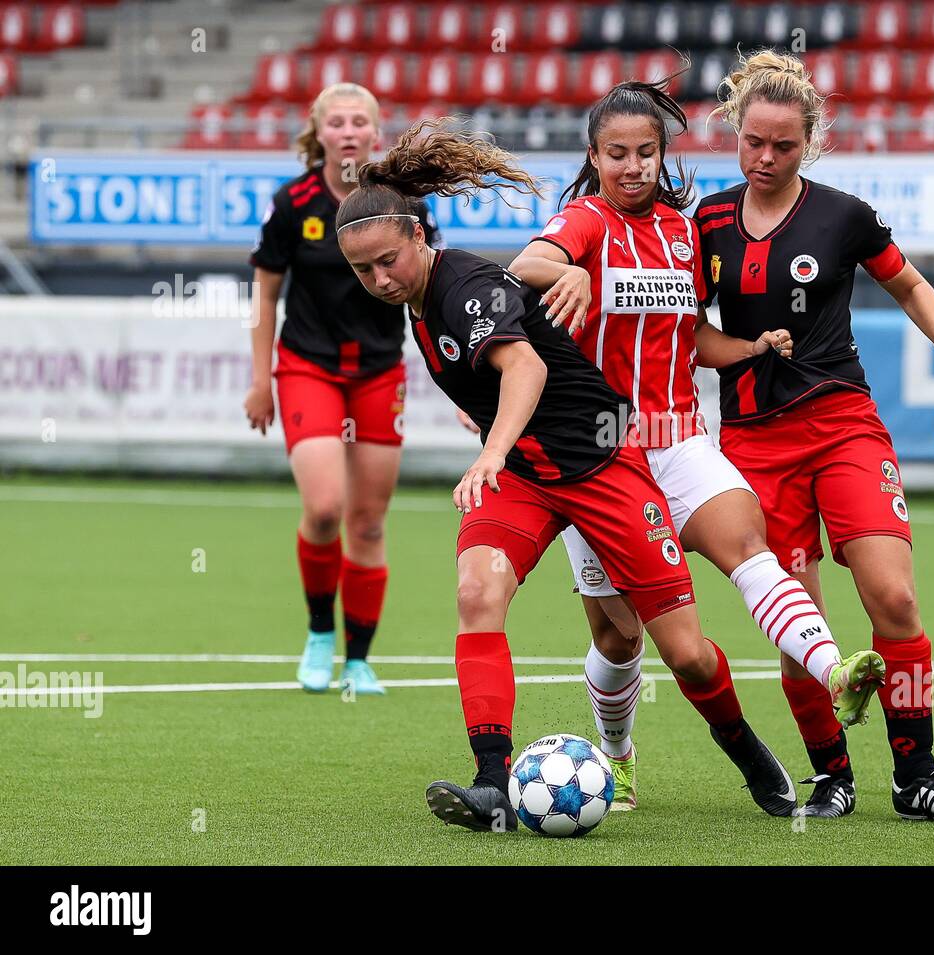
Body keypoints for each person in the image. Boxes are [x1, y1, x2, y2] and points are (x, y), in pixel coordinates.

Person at [334, 118, 809, 830]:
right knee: (477, 590)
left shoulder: (464, 286)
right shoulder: (421, 301)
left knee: (687, 654)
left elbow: (522, 365)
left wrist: (491, 450)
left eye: (387, 261)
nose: (378, 279)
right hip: (530, 475)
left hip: (602, 461)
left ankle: (741, 743)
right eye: (362, 270)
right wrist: (502, 448)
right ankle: (491, 784)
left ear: (419, 238)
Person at [508, 77, 884, 817]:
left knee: (750, 547)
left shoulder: (685, 233)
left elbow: (691, 336)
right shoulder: (583, 221)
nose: (633, 167)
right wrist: (573, 273)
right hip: (602, 453)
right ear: (594, 156)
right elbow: (526, 267)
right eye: (617, 154)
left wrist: (748, 347)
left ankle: (834, 669)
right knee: (620, 638)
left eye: (646, 152)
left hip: (678, 437)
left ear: (663, 155)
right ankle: (616, 757)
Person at [694, 50, 934, 823]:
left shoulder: (843, 216)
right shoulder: (707, 224)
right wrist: (747, 351)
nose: (764, 158)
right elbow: (688, 336)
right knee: (800, 627)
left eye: (783, 146)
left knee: (892, 595)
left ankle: (916, 773)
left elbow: (910, 283)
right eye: (752, 142)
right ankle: (832, 775)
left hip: (843, 426)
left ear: (810, 142)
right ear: (734, 131)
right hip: (755, 443)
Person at [244, 83, 444, 695]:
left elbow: (427, 290)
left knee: (369, 522)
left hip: (378, 372)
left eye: (361, 121)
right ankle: (318, 635)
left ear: (376, 134)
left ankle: (358, 659)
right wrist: (260, 379)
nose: (350, 131)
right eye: (338, 122)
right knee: (326, 507)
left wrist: (465, 383)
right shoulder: (294, 201)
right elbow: (266, 292)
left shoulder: (399, 201)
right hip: (308, 367)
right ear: (320, 133)